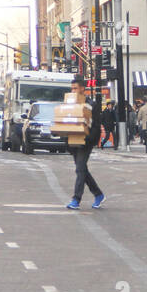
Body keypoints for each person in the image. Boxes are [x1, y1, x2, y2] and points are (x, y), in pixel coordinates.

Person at [65, 76, 104, 210]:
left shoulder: (91, 105)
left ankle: (76, 199)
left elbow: (96, 126)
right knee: (82, 170)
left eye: (75, 88)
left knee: (80, 168)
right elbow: (65, 121)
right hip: (73, 141)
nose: (73, 90)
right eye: (72, 88)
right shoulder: (69, 104)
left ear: (83, 88)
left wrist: (89, 140)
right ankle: (98, 194)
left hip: (86, 142)